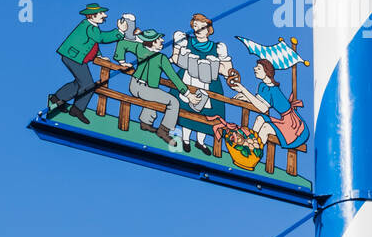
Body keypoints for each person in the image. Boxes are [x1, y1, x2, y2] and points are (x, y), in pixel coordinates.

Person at [49, 4, 125, 125]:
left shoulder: (91, 26)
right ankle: (76, 109)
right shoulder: (90, 27)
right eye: (101, 14)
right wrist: (120, 32)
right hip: (73, 57)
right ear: (93, 15)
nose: (105, 16)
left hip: (73, 57)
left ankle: (57, 98)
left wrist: (98, 55)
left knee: (80, 83)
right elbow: (100, 38)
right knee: (88, 84)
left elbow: (91, 43)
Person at [113, 25, 189, 145]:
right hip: (144, 88)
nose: (162, 40)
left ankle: (145, 122)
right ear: (153, 42)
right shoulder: (160, 58)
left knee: (156, 94)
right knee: (173, 102)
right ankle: (164, 131)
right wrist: (187, 93)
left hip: (134, 85)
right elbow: (173, 77)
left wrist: (121, 60)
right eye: (159, 39)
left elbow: (123, 44)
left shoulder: (141, 48)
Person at [171, 13, 233, 156]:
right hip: (188, 78)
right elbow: (175, 58)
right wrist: (180, 58)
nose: (197, 29)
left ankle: (201, 141)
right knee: (186, 109)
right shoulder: (185, 41)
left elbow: (226, 69)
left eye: (201, 26)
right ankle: (185, 140)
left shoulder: (218, 47)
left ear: (208, 29)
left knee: (206, 113)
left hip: (208, 82)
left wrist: (223, 70)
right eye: (195, 26)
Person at [229, 58, 309, 149]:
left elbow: (263, 108)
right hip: (283, 120)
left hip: (292, 125)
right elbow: (257, 101)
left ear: (266, 72)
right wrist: (244, 95)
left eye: (259, 68)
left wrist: (244, 90)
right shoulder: (262, 86)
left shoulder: (273, 90)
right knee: (260, 118)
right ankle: (249, 142)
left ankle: (256, 152)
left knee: (266, 127)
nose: (255, 69)